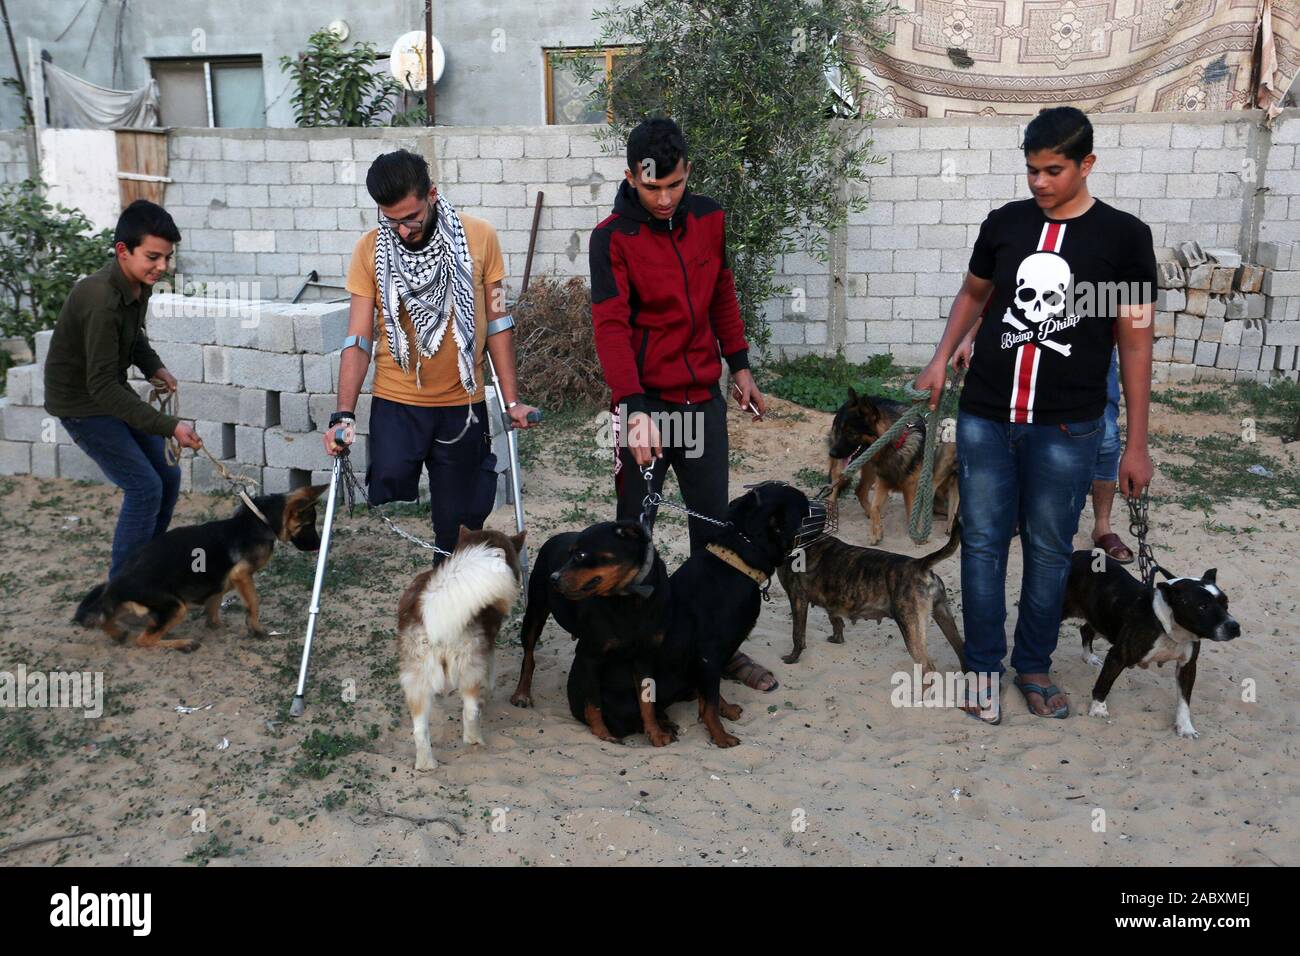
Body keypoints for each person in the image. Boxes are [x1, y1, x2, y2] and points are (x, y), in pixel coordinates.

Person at [916, 106, 1156, 722]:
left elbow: (1135, 341)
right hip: (986, 418)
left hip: (1069, 426)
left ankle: (1034, 665)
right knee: (983, 545)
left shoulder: (1125, 238)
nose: (1040, 183)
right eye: (1031, 171)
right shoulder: (1005, 224)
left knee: (1050, 551)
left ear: (1087, 165)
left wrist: (1135, 443)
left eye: (1054, 170)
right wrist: (942, 357)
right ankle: (982, 666)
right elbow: (974, 293)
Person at [589, 116, 777, 692]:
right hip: (647, 406)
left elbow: (722, 289)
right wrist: (634, 407)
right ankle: (625, 652)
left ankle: (715, 650)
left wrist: (739, 364)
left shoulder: (710, 217)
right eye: (652, 189)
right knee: (632, 531)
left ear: (687, 171)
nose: (665, 199)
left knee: (712, 532)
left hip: (704, 402)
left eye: (674, 185)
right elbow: (611, 326)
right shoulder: (612, 238)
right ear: (631, 177)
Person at [322, 149, 537, 555]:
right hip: (397, 401)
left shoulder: (481, 237)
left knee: (457, 526)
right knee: (387, 479)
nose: (403, 230)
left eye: (411, 217)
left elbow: (497, 322)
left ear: (432, 194)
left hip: (462, 403)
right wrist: (343, 415)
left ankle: (447, 599)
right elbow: (358, 338)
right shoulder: (370, 250)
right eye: (391, 220)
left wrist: (512, 401)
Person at [45, 199, 203, 580]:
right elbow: (99, 386)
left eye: (166, 258)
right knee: (144, 487)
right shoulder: (100, 299)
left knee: (168, 476)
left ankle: (146, 568)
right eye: (153, 256)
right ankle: (123, 592)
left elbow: (133, 338)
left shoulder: (136, 284)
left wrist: (154, 366)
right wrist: (170, 426)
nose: (162, 267)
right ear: (122, 251)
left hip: (108, 392)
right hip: (82, 403)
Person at [955, 329, 1130, 563]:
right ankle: (1022, 512)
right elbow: (982, 297)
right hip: (1032, 340)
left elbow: (1129, 316)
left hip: (1091, 345)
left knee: (1107, 438)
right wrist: (967, 336)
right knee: (1027, 428)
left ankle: (1102, 526)